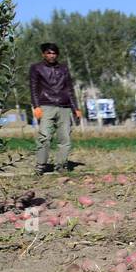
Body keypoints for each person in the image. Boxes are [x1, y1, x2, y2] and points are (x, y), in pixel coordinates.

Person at [29, 43, 82, 174]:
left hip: (64, 107)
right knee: (44, 137)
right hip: (46, 106)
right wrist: (36, 106)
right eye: (49, 53)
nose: (52, 55)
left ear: (57, 55)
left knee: (65, 138)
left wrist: (76, 108)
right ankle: (41, 165)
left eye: (54, 53)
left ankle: (61, 165)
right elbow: (33, 88)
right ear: (43, 54)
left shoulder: (64, 68)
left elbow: (69, 89)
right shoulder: (36, 68)